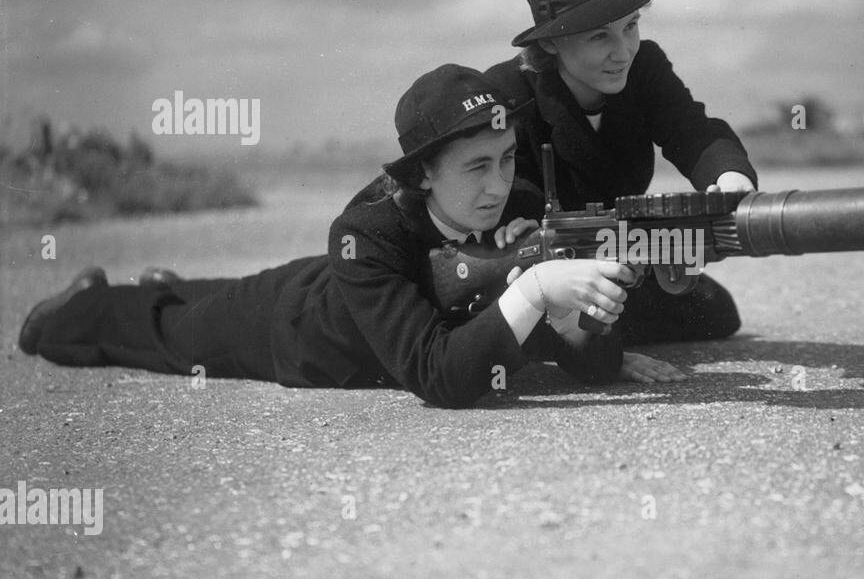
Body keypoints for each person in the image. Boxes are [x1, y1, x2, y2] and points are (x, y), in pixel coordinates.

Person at [17, 65, 647, 408]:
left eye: (508, 159)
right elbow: (439, 375)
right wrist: (537, 287)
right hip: (301, 328)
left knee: (202, 294)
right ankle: (74, 311)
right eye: (476, 166)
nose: (499, 184)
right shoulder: (366, 233)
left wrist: (578, 326)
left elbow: (583, 358)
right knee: (175, 335)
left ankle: (167, 286)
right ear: (423, 174)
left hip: (332, 290)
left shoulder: (524, 207)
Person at [485, 0, 758, 357]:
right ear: (550, 42)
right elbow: (495, 182)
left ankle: (590, 338)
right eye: (599, 37)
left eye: (630, 25)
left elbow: (692, 130)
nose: (623, 51)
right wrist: (520, 220)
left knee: (716, 312)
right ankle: (582, 347)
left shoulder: (645, 67)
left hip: (621, 251)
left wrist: (729, 178)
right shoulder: (508, 93)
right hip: (539, 268)